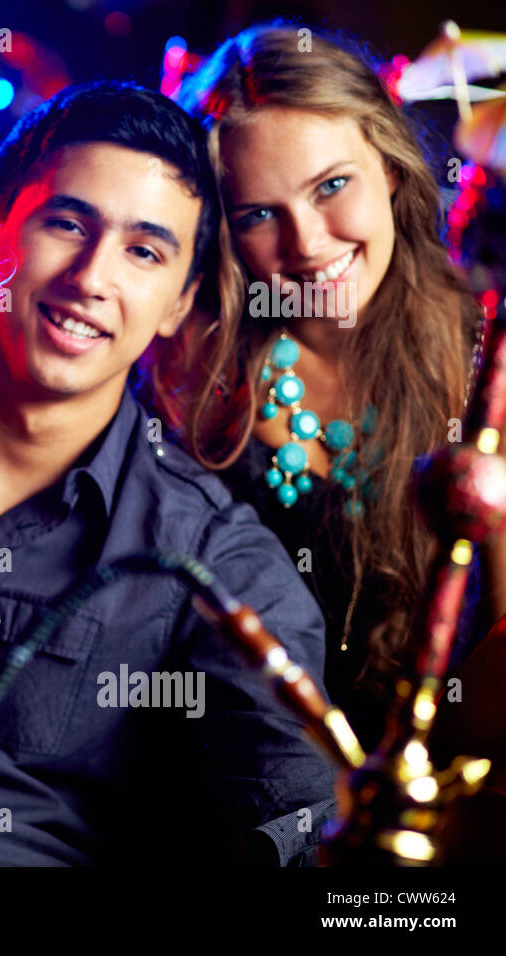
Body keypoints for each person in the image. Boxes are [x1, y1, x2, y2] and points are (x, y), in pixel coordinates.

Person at [0, 82, 337, 867]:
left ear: (179, 302)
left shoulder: (207, 559)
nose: (91, 277)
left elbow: (306, 820)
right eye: (66, 224)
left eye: (144, 251)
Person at [167, 24, 485, 750]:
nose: (306, 242)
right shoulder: (189, 372)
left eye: (332, 185)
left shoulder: (486, 363)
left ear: (394, 169)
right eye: (257, 215)